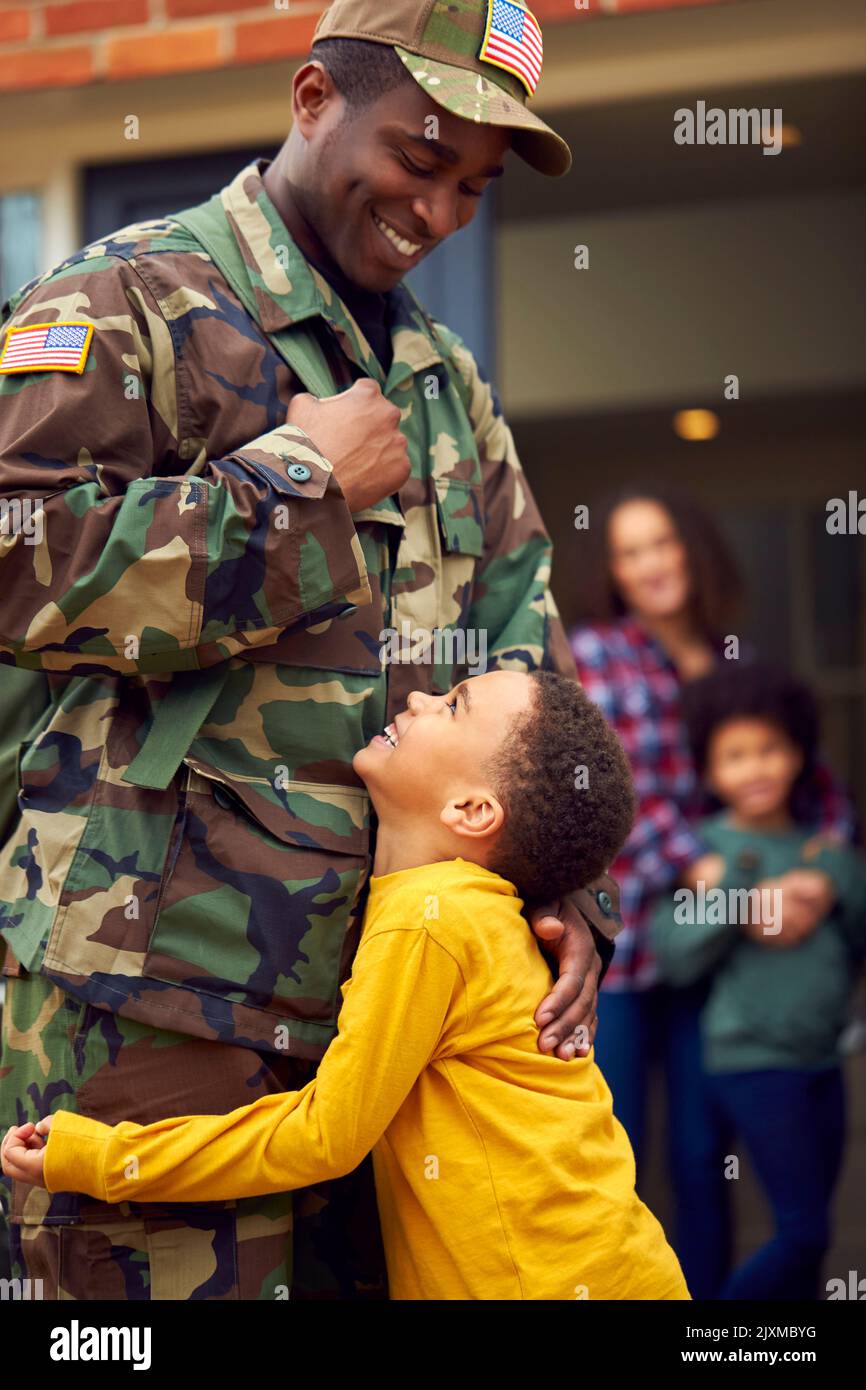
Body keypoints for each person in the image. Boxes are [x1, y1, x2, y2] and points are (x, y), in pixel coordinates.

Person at [0, 1, 616, 1301]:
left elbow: (526, 654)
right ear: (311, 97)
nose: (442, 213)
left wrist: (564, 878)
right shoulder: (127, 304)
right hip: (160, 1000)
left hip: (392, 1024)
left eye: (474, 184)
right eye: (419, 158)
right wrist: (290, 490)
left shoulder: (447, 384)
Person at [3, 669, 690, 1302]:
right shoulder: (464, 909)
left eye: (452, 707)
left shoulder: (435, 922)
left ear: (473, 810)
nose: (416, 698)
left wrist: (100, 1157)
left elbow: (322, 1136)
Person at [568, 488, 855, 1298]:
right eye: (630, 552)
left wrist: (821, 863)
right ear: (615, 572)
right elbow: (603, 794)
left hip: (717, 951)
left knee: (703, 1154)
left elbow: (806, 783)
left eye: (663, 543)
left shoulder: (734, 660)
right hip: (624, 952)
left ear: (692, 550)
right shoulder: (595, 656)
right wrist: (699, 857)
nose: (651, 564)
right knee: (612, 1148)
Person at [649, 664, 866, 1300]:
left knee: (810, 1247)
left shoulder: (821, 848)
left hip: (823, 1057)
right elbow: (675, 954)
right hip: (753, 1061)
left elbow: (857, 936)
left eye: (769, 749)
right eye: (736, 756)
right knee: (802, 1233)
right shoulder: (707, 855)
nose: (757, 768)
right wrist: (742, 897)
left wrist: (831, 878)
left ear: (798, 754)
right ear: (710, 773)